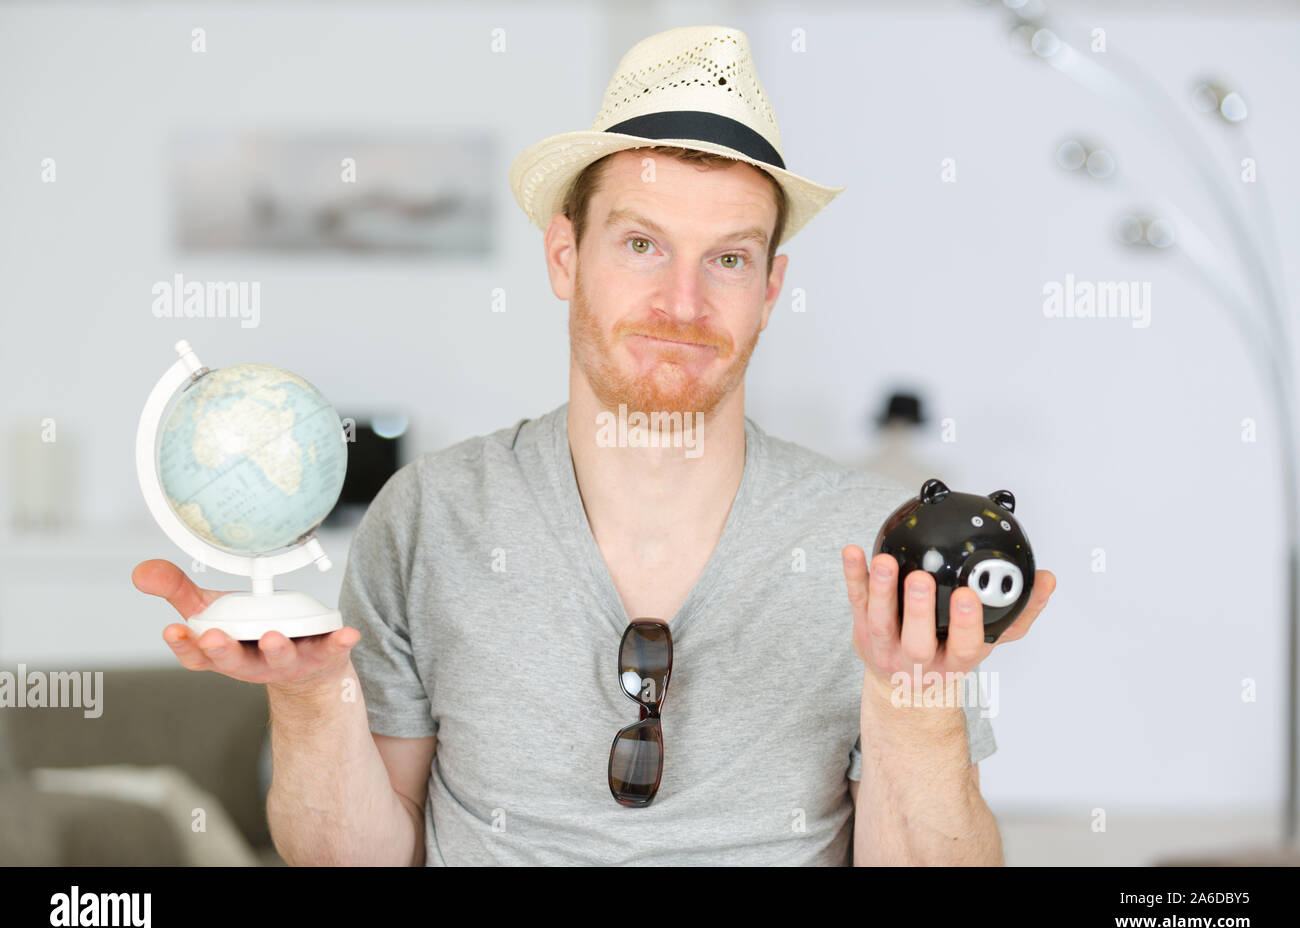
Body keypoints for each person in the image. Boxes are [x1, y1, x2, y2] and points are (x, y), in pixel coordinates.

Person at [133, 24, 1055, 866]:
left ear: (771, 289)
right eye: (644, 244)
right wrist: (305, 698)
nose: (685, 304)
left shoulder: (876, 542)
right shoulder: (431, 515)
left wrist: (913, 706)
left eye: (727, 258)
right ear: (565, 257)